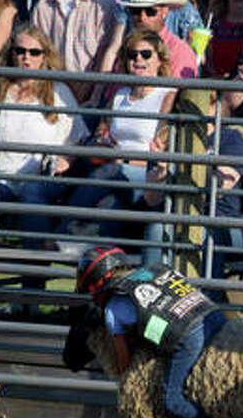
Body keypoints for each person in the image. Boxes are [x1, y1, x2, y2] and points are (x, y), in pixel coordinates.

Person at [75, 245, 228, 418]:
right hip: (212, 315)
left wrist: (127, 380)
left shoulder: (113, 308)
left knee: (172, 400)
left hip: (191, 334)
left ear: (96, 281)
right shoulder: (153, 271)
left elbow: (123, 359)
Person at [67, 30, 177, 264]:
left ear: (160, 60)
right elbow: (101, 132)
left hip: (145, 173)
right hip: (111, 173)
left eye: (146, 54)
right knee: (111, 206)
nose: (138, 60)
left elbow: (160, 149)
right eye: (132, 54)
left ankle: (63, 231)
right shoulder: (119, 96)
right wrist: (103, 144)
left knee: (112, 173)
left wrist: (122, 161)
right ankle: (105, 284)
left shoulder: (167, 96)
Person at [0, 26, 90, 245]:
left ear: (44, 57)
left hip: (41, 176)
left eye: (34, 52)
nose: (26, 57)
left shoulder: (59, 91)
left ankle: (33, 273)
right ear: (11, 54)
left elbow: (79, 138)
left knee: (31, 194)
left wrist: (65, 160)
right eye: (20, 51)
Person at [31, 0, 126, 104]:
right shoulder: (42, 7)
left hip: (93, 100)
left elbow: (105, 56)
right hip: (53, 97)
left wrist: (94, 97)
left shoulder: (104, 5)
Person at [121, 0, 199, 78]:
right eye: (135, 11)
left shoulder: (179, 51)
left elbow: (177, 91)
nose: (142, 17)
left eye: (150, 12)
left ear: (164, 12)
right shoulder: (126, 47)